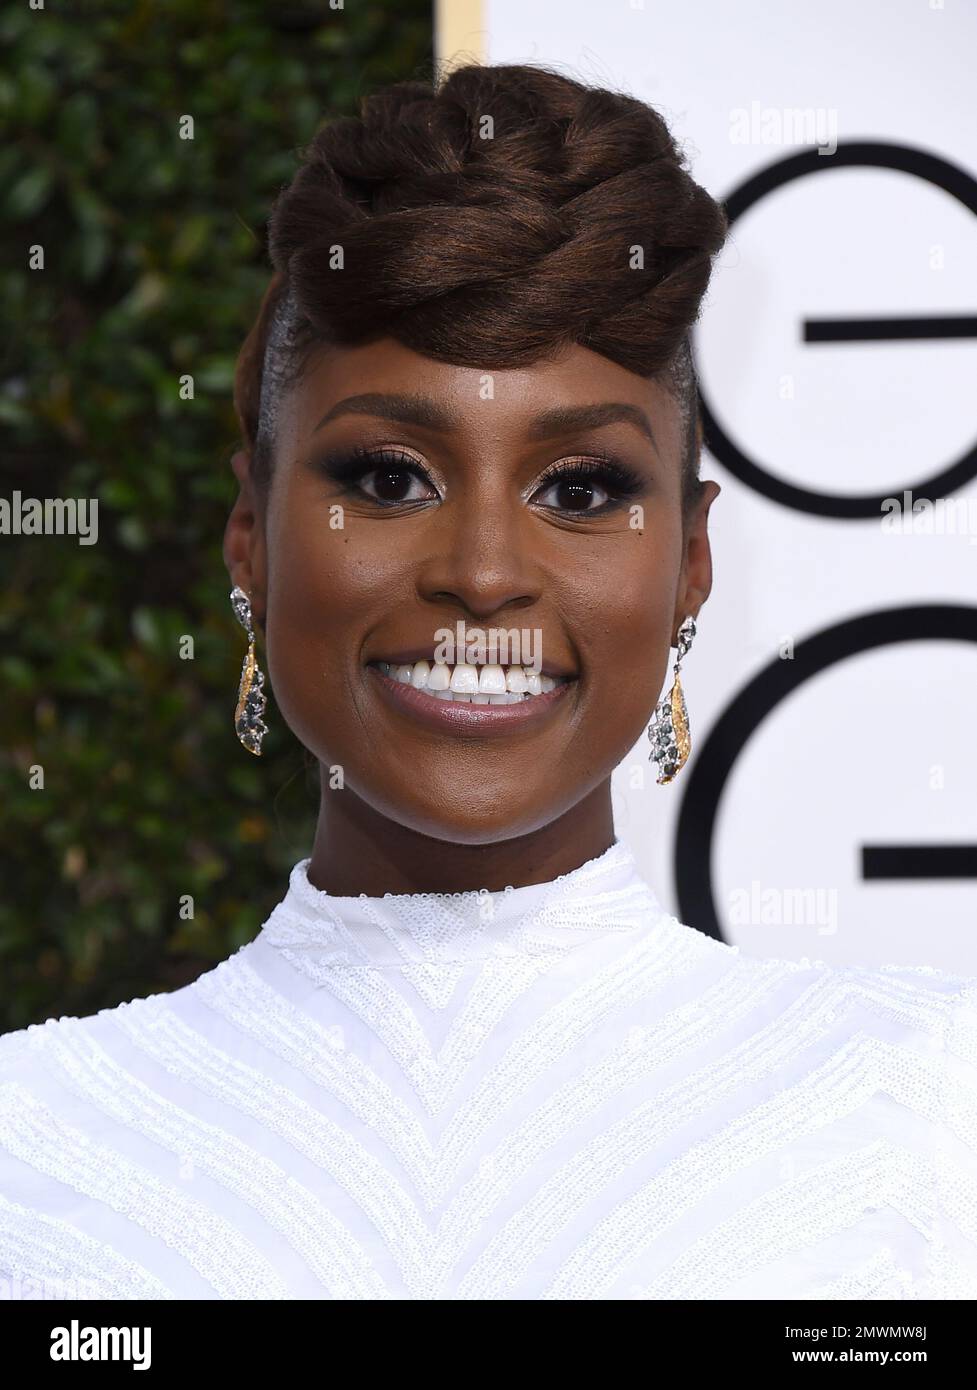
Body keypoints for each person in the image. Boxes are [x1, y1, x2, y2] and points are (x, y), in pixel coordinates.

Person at [1, 62, 975, 1301]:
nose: (481, 572)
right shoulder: (31, 1145)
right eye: (388, 478)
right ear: (249, 537)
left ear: (689, 563)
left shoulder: (933, 1111)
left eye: (580, 489)